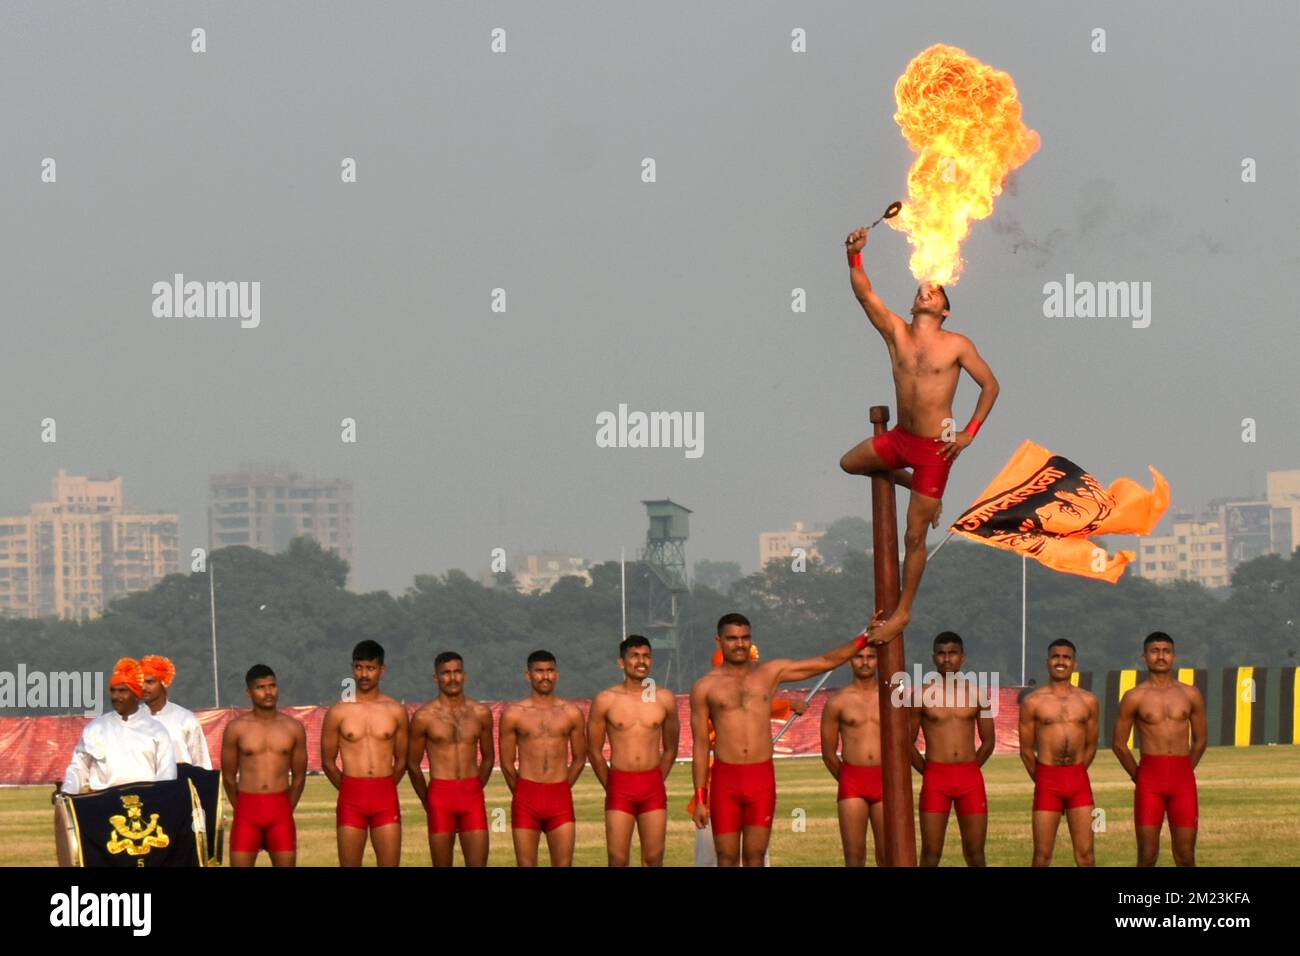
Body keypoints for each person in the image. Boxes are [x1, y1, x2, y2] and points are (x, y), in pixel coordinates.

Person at [839, 226, 1000, 637]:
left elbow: (991, 386)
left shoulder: (957, 344)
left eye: (936, 292)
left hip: (934, 450)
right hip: (900, 441)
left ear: (945, 310)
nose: (926, 292)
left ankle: (903, 613)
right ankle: (912, 485)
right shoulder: (896, 333)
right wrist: (854, 256)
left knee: (914, 535)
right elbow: (864, 294)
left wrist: (968, 434)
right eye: (922, 290)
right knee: (850, 462)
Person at [690, 610, 899, 867]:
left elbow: (824, 661)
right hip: (725, 780)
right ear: (719, 641)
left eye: (745, 638)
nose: (740, 644)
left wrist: (864, 638)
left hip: (760, 778)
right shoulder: (705, 687)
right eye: (732, 638)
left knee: (755, 857)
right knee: (726, 858)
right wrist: (700, 798)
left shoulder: (770, 673)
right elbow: (700, 745)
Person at [1113, 632, 1206, 867]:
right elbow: (1119, 744)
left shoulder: (1190, 694)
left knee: (1186, 856)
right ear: (1144, 657)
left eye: (1166, 651)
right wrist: (1138, 775)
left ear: (1174, 656)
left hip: (1182, 780)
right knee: (1147, 855)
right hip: (1149, 781)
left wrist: (1185, 768)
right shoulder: (1134, 696)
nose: (1160, 656)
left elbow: (1200, 740)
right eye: (1155, 651)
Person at [586, 635, 679, 866]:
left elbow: (670, 749)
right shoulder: (606, 699)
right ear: (622, 662)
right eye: (635, 656)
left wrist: (657, 778)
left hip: (652, 785)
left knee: (654, 858)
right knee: (617, 859)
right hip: (620, 783)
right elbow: (594, 751)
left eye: (646, 656)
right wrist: (612, 784)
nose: (641, 661)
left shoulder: (664, 698)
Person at [321, 640, 409, 867]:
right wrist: (351, 788)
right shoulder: (339, 712)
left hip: (385, 796)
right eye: (359, 668)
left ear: (382, 670)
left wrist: (384, 786)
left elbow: (402, 760)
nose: (364, 674)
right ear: (352, 668)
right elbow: (328, 762)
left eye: (370, 668)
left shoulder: (396, 711)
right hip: (351, 797)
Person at [910, 632, 995, 866]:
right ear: (933, 657)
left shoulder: (978, 694)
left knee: (975, 853)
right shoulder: (920, 694)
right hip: (936, 777)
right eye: (941, 653)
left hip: (970, 777)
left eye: (952, 653)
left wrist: (971, 768)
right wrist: (927, 771)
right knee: (930, 853)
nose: (947, 659)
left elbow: (989, 741)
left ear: (962, 657)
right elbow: (907, 742)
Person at [498, 650, 587, 867]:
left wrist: (564, 786)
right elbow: (507, 763)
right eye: (539, 671)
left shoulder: (571, 712)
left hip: (560, 795)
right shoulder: (514, 714)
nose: (545, 676)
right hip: (526, 796)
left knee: (564, 864)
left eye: (549, 671)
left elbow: (579, 758)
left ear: (556, 674)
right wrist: (521, 791)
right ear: (528, 675)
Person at [407, 651, 494, 867]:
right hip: (440, 795)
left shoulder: (480, 713)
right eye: (446, 673)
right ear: (436, 678)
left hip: (471, 793)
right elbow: (412, 764)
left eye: (457, 672)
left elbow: (488, 758)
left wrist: (475, 787)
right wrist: (427, 799)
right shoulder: (424, 717)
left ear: (464, 675)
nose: (452, 678)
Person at [1018, 639, 1098, 866]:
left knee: (1086, 855)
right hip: (1047, 779)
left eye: (1066, 657)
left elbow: (1091, 745)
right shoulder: (1033, 701)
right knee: (1042, 856)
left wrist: (1077, 772)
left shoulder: (1089, 700)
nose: (1060, 661)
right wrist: (1044, 779)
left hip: (1078, 780)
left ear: (1074, 663)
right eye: (1056, 657)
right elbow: (1025, 750)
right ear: (1047, 662)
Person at [221, 664, 307, 867]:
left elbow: (299, 776)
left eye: (272, 686)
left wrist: (285, 808)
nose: (268, 692)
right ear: (249, 693)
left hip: (280, 813)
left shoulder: (293, 728)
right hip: (247, 813)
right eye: (261, 687)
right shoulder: (236, 728)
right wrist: (243, 808)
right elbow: (228, 776)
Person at [60, 658, 177, 796]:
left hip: (146, 803)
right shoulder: (95, 728)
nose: (116, 696)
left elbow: (167, 774)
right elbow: (79, 767)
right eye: (113, 691)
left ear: (136, 695)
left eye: (122, 691)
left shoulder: (156, 730)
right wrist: (66, 791)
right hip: (103, 802)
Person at [821, 643, 884, 866]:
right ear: (850, 660)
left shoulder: (892, 699)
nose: (865, 662)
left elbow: (905, 741)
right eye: (859, 657)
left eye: (871, 657)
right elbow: (828, 753)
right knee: (854, 856)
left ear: (879, 660)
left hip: (884, 780)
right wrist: (849, 778)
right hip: (852, 780)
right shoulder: (838, 702)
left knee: (887, 856)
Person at [140, 654, 212, 768]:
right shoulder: (131, 719)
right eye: (141, 682)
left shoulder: (185, 719)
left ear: (164, 684)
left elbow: (201, 762)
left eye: (149, 682)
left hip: (179, 783)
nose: (143, 687)